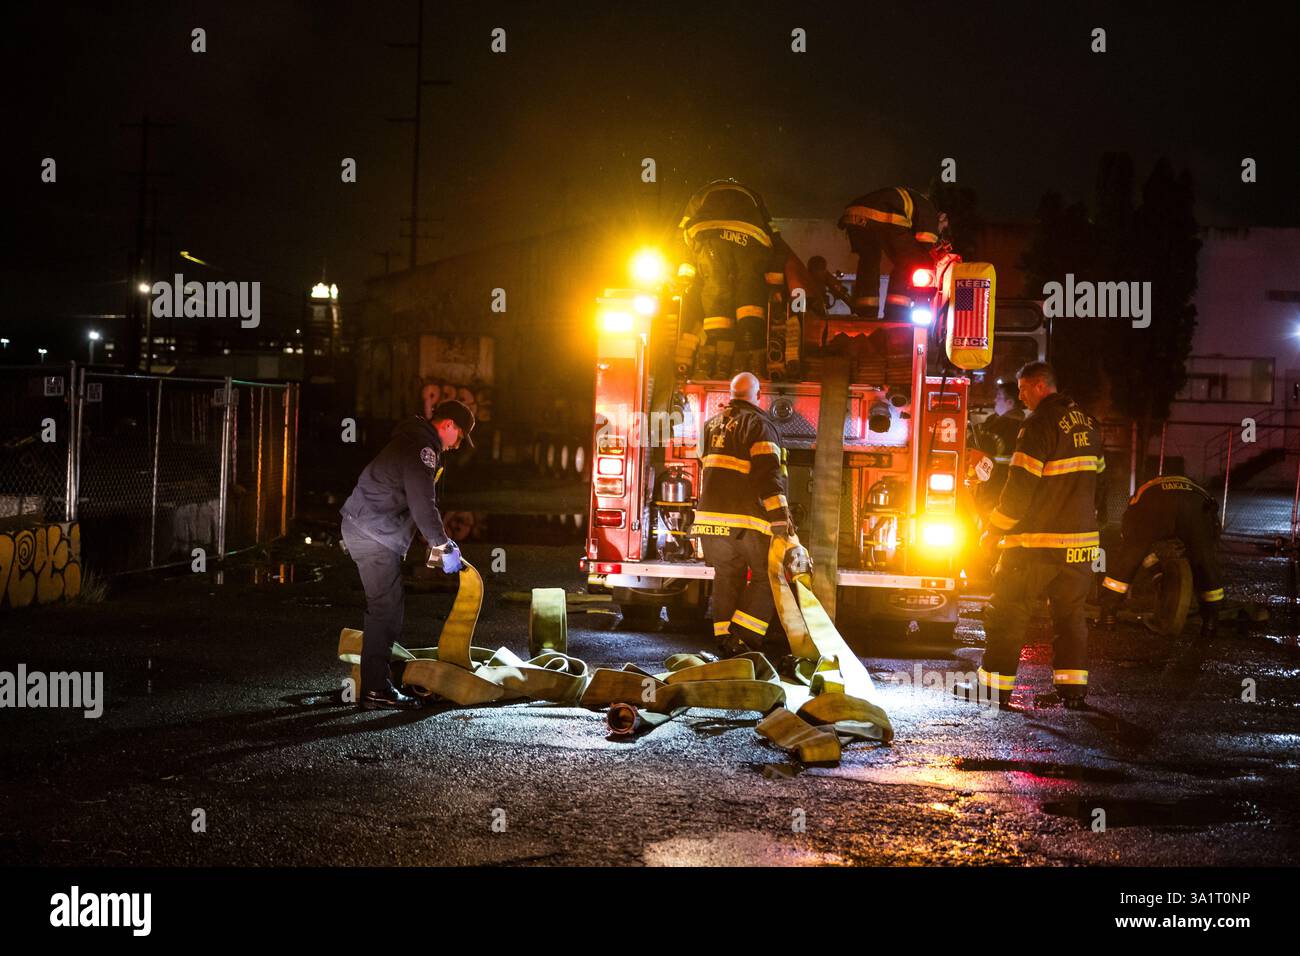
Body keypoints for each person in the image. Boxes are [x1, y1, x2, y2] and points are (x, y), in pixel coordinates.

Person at [953, 362, 1104, 710]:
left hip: (1036, 544)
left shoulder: (1038, 424)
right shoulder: (1089, 424)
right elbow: (1100, 482)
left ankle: (994, 689)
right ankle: (1073, 692)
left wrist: (995, 529)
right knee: (1071, 617)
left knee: (1008, 610)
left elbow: (1020, 488)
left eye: (1023, 389)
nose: (1020, 396)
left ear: (1039, 386)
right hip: (1080, 544)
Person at [339, 400, 476, 710]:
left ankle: (376, 683)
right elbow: (422, 504)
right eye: (460, 436)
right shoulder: (422, 450)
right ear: (449, 426)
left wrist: (432, 544)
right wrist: (442, 545)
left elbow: (409, 501)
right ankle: (377, 690)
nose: (457, 446)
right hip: (373, 533)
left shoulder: (413, 440)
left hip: (365, 527)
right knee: (386, 610)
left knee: (384, 607)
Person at [691, 372, 793, 657]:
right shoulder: (760, 426)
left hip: (710, 522)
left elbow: (705, 464)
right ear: (758, 395)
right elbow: (768, 475)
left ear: (731, 393)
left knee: (726, 576)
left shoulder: (710, 424)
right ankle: (743, 639)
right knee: (769, 577)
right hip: (747, 521)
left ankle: (725, 643)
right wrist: (780, 518)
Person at [677, 179, 780, 377]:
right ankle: (749, 344)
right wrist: (775, 276)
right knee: (748, 285)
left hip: (707, 231)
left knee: (717, 287)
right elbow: (773, 231)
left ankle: (717, 352)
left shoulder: (701, 193)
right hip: (751, 234)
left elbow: (682, 232)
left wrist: (685, 272)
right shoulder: (753, 195)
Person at [1100, 475, 1225, 638]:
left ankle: (1108, 615)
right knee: (1205, 561)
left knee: (1129, 557)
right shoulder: (1197, 490)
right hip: (1194, 506)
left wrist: (1153, 569)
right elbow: (1212, 536)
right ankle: (1211, 623)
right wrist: (1200, 553)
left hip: (1155, 503)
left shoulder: (1146, 491)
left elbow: (1132, 539)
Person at [837, 186, 945, 321]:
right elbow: (924, 247)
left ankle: (866, 311)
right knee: (911, 261)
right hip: (884, 217)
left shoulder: (916, 200)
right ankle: (896, 312)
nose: (941, 230)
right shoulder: (929, 211)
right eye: (944, 226)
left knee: (869, 259)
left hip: (852, 215)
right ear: (942, 216)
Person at [973, 380, 1026, 515]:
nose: (995, 399)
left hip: (998, 483)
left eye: (999, 396)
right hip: (996, 481)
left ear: (1010, 402)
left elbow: (983, 443)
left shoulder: (1011, 425)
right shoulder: (997, 421)